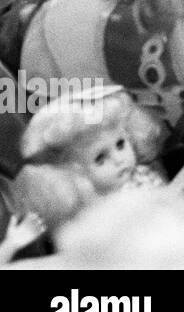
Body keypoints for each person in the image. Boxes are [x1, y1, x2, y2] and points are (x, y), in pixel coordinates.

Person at [10, 86, 167, 240]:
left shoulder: (142, 173)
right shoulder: (96, 215)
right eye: (100, 158)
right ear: (75, 174)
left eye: (120, 144)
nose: (119, 159)